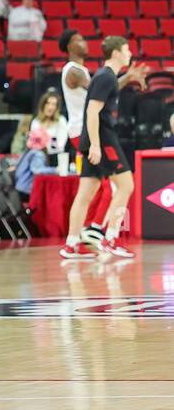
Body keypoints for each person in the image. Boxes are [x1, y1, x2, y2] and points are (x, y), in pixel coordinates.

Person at [61, 36, 140, 261]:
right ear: (116, 53)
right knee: (126, 186)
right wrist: (96, 144)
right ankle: (110, 239)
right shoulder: (105, 77)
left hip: (92, 138)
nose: (129, 53)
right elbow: (92, 111)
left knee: (86, 192)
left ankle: (71, 244)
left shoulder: (104, 76)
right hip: (103, 138)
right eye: (126, 49)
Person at [58, 29, 148, 164]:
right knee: (107, 172)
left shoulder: (81, 69)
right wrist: (127, 77)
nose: (84, 43)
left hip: (88, 127)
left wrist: (128, 77)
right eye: (79, 40)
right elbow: (101, 90)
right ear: (69, 46)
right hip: (81, 129)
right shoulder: (72, 71)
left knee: (96, 176)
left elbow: (104, 89)